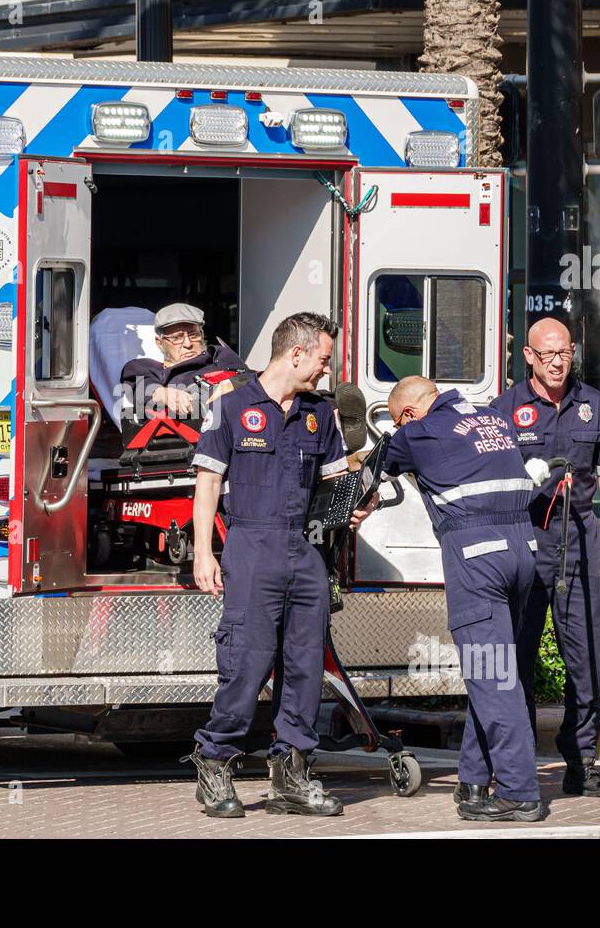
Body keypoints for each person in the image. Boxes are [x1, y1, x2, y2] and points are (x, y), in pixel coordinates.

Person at [187, 312, 375, 818]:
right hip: (252, 545)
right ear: (296, 354)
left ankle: (291, 775)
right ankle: (214, 762)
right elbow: (207, 484)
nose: (324, 371)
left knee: (305, 666)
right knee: (246, 662)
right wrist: (205, 552)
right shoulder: (230, 407)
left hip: (306, 551)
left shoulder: (321, 413)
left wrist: (355, 502)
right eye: (322, 360)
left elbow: (336, 482)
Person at [383, 376, 550, 822]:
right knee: (491, 672)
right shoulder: (493, 418)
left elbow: (377, 466)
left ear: (407, 414)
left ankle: (519, 791)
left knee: (492, 676)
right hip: (522, 554)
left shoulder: (417, 432)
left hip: (477, 558)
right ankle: (475, 780)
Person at [490, 317, 600, 797]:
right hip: (525, 543)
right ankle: (517, 764)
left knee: (588, 658)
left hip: (581, 542)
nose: (555, 362)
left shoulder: (595, 406)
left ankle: (582, 763)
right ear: (527, 356)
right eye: (545, 354)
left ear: (574, 352)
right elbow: (483, 480)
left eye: (563, 353)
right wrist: (512, 473)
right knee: (517, 660)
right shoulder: (505, 408)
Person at [119, 303, 245, 420]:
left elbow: (249, 380)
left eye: (193, 335)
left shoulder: (219, 355)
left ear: (202, 334)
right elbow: (142, 386)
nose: (188, 343)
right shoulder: (147, 368)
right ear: (160, 343)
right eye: (177, 338)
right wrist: (163, 394)